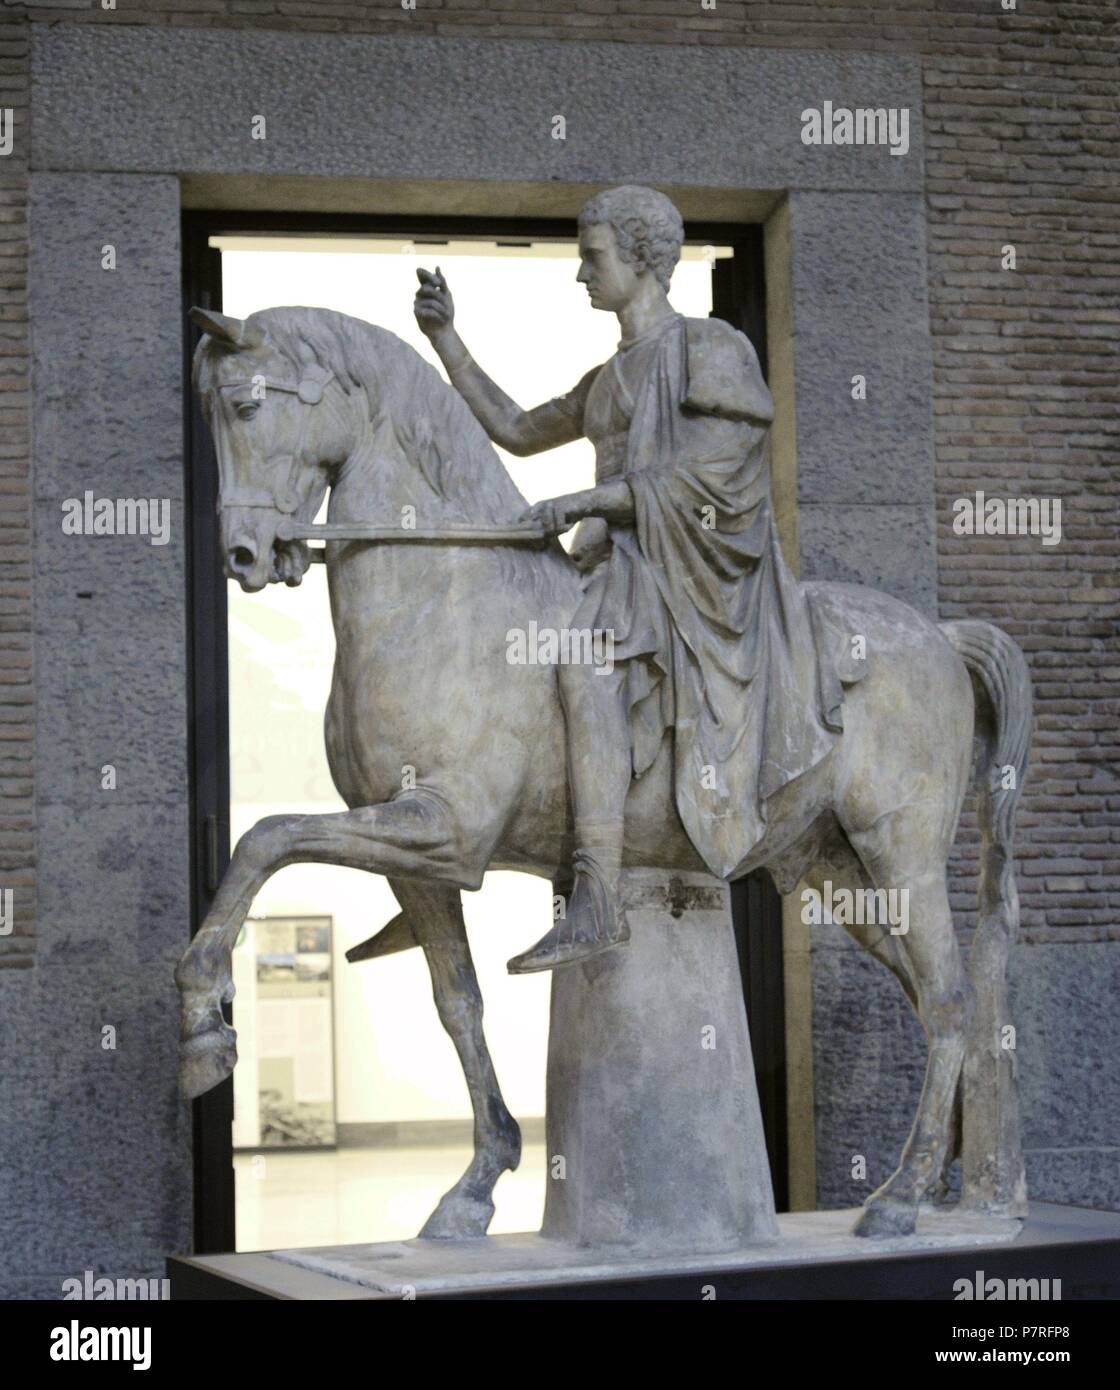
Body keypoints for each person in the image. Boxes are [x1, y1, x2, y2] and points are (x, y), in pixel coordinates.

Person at [414, 185, 843, 974]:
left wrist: (588, 499)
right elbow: (514, 427)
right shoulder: (608, 378)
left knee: (584, 657)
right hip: (614, 560)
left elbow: (716, 480)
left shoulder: (711, 350)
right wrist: (448, 341)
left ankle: (599, 892)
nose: (582, 273)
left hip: (685, 573)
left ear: (643, 258)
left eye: (593, 255)